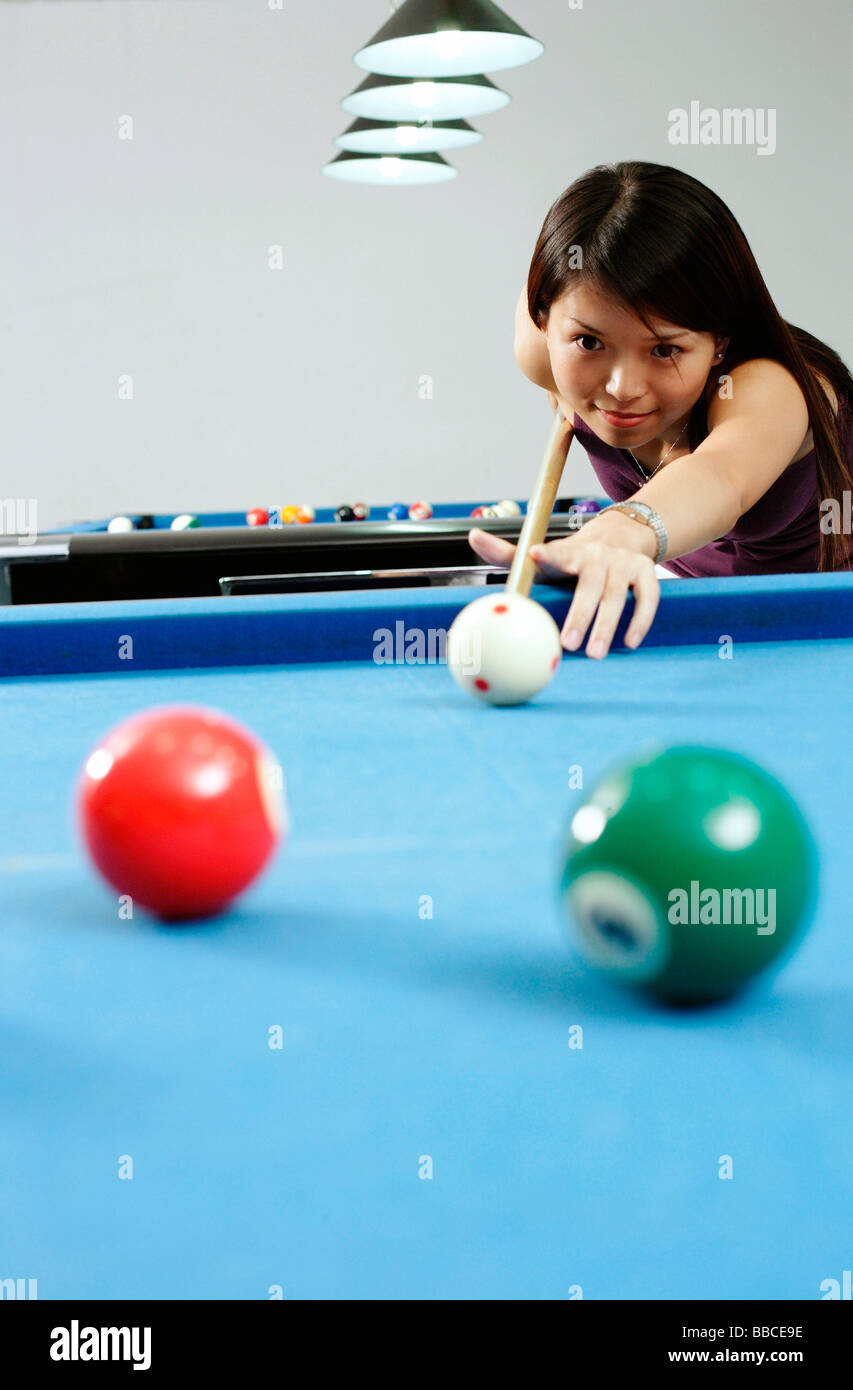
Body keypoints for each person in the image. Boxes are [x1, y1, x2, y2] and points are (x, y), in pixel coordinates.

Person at [469, 162, 853, 659]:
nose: (622, 388)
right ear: (545, 321)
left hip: (831, 631)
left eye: (664, 349)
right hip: (701, 622)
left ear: (720, 341)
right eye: (590, 341)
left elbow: (720, 477)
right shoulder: (541, 347)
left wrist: (622, 529)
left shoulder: (764, 387)